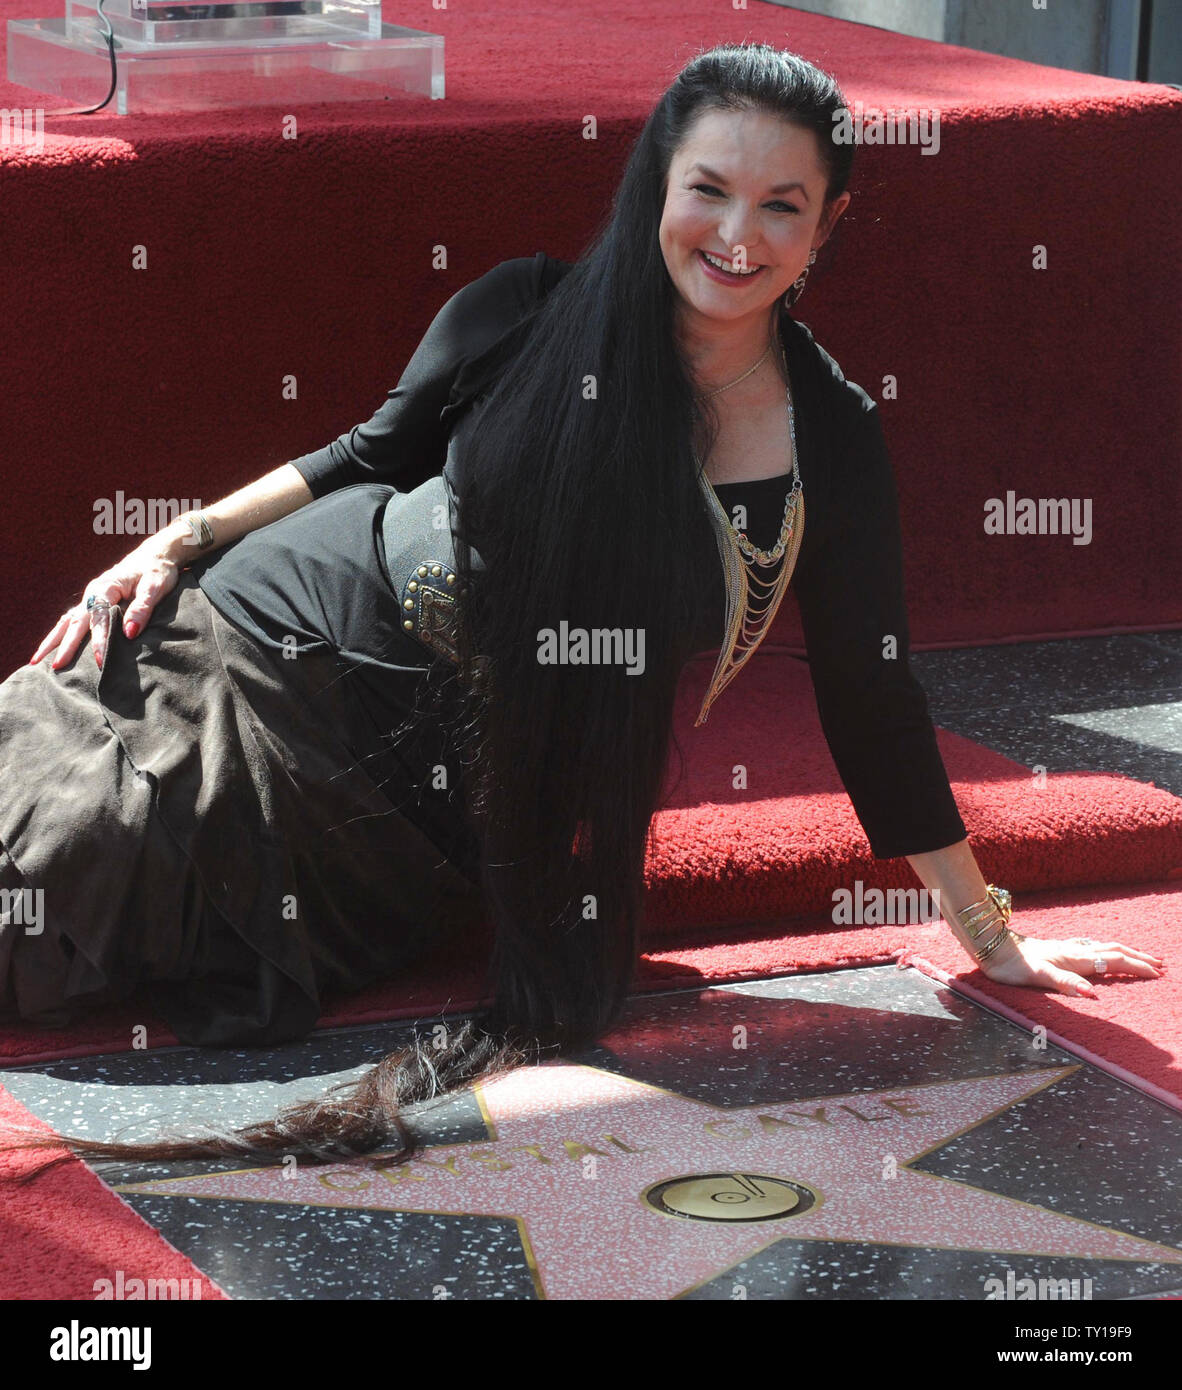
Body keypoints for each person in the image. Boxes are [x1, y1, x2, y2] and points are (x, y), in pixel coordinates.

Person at [1, 42, 1163, 1176]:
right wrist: (182, 536)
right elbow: (367, 452)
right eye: (707, 189)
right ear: (660, 178)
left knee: (83, 927)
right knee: (47, 859)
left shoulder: (832, 441)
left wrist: (991, 935)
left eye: (781, 206)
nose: (736, 235)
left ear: (830, 226)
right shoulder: (524, 306)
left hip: (408, 814)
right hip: (254, 651)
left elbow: (874, 695)